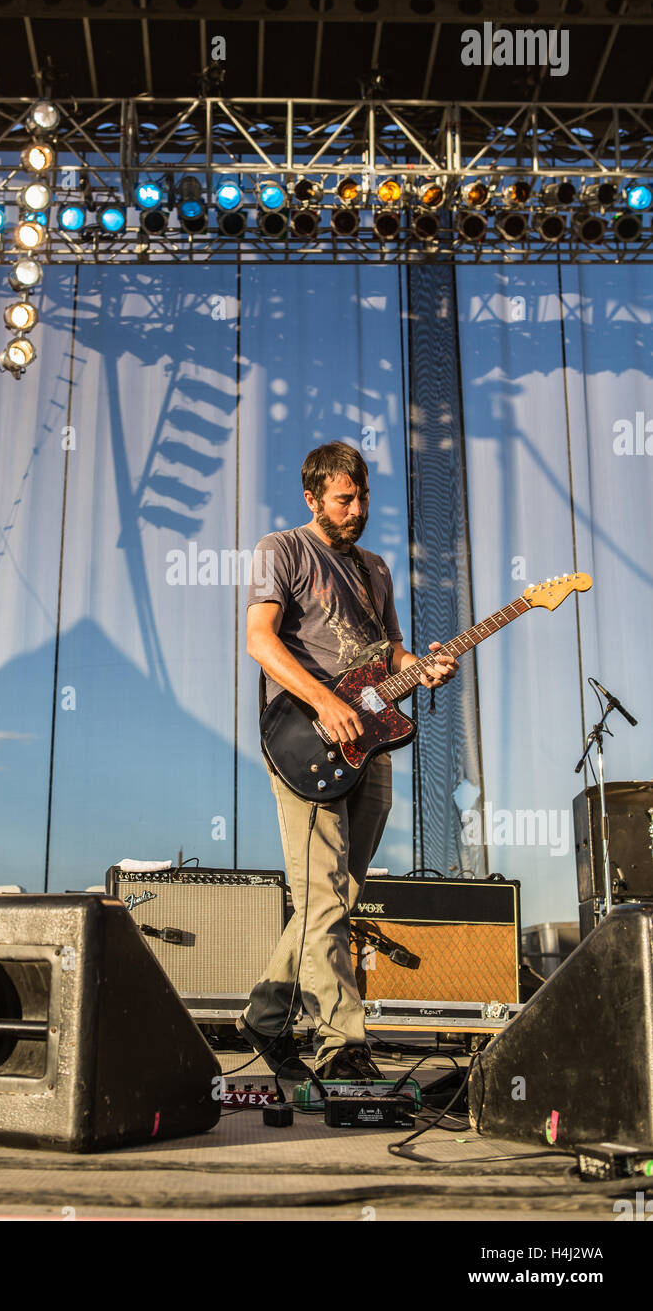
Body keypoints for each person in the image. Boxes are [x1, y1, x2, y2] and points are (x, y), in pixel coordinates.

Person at [238, 441, 458, 1081]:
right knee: (325, 899)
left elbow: (386, 653)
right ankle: (343, 1043)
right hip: (308, 738)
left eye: (362, 497)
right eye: (344, 499)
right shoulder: (281, 550)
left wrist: (422, 666)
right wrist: (324, 702)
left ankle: (264, 1013)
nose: (357, 509)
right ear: (312, 498)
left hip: (372, 739)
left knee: (334, 897)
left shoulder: (377, 568)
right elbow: (259, 638)